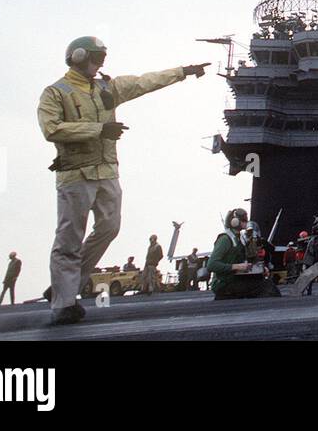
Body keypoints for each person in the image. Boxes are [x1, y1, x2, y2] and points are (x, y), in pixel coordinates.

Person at [38, 35, 208, 325]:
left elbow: (144, 82)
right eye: (97, 58)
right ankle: (63, 304)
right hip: (76, 174)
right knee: (69, 238)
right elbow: (51, 129)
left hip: (106, 173)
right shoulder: (56, 93)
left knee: (110, 227)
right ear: (78, 57)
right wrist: (98, 130)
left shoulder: (107, 87)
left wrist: (183, 72)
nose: (101, 64)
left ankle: (65, 287)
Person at [208, 208, 281, 300]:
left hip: (231, 279)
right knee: (266, 286)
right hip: (223, 283)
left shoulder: (238, 239)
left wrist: (261, 268)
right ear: (235, 222)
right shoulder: (225, 239)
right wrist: (236, 267)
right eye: (243, 220)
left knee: (263, 281)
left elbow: (246, 259)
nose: (246, 223)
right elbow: (211, 265)